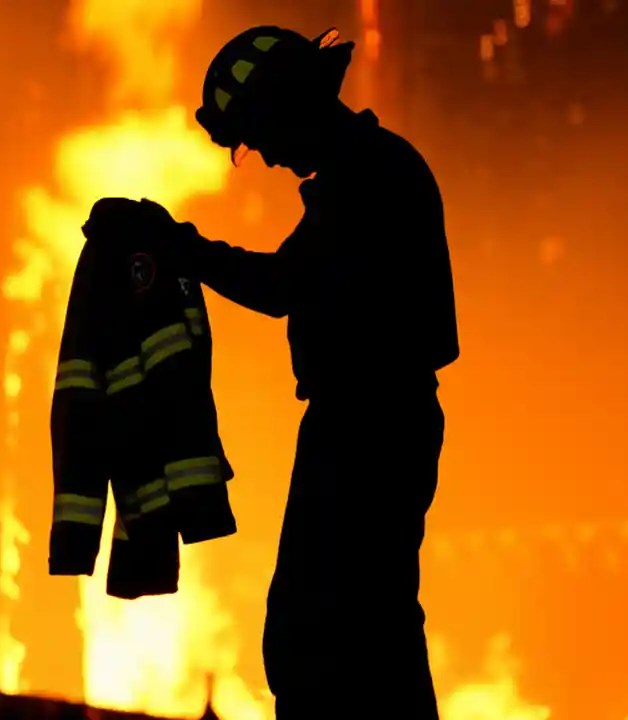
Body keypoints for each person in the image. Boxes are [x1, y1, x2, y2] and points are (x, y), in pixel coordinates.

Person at [146, 25, 459, 718]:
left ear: (290, 105)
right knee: (353, 629)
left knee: (333, 632)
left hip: (369, 421)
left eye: (258, 134)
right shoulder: (369, 171)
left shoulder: (370, 179)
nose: (263, 157)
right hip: (372, 418)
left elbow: (285, 284)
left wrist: (180, 249)